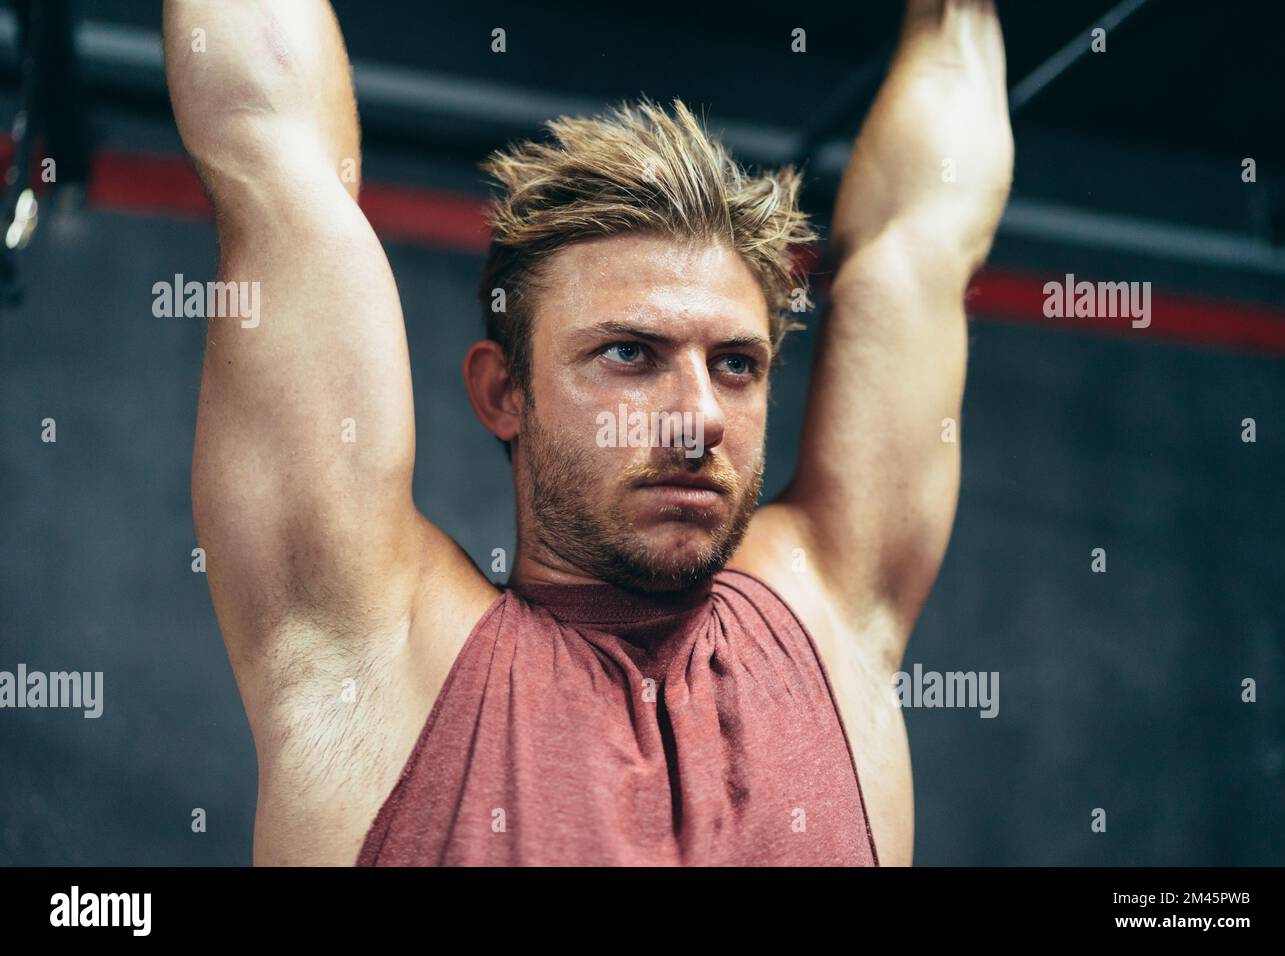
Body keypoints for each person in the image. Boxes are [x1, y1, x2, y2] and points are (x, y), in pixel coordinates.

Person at [163, 0, 1013, 866]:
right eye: (629, 354)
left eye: (735, 364)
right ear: (505, 394)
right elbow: (274, 157)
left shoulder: (828, 613)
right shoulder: (372, 653)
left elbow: (924, 240)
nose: (701, 418)